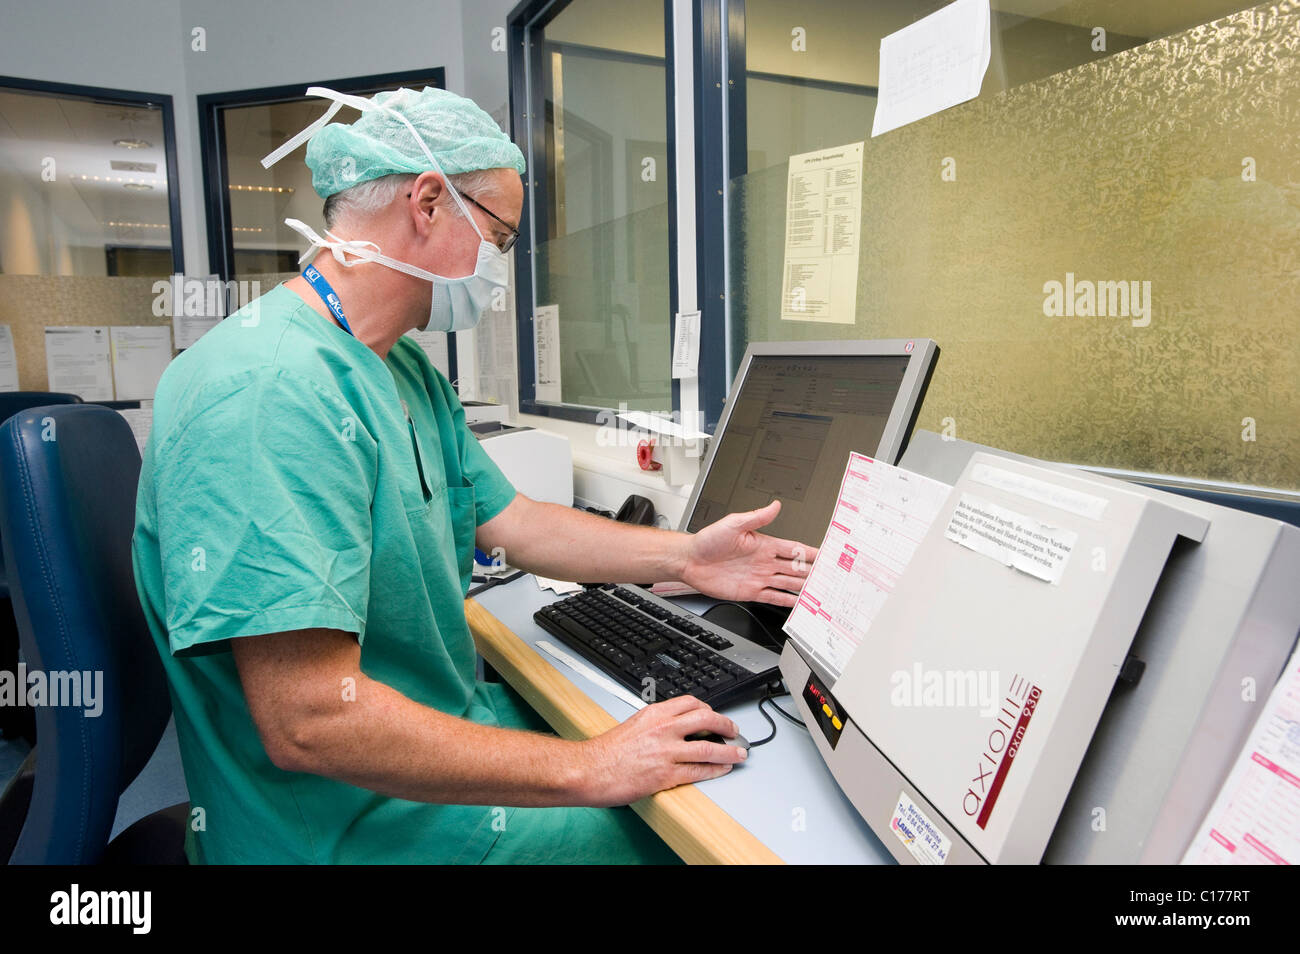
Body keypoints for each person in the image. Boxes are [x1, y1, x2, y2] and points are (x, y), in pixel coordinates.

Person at [132, 86, 816, 864]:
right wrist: (589, 767)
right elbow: (312, 721)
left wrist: (688, 557)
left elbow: (515, 521)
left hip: (424, 744)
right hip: (341, 826)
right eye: (499, 237)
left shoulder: (401, 369)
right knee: (696, 840)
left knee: (687, 762)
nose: (500, 268)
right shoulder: (267, 392)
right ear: (427, 204)